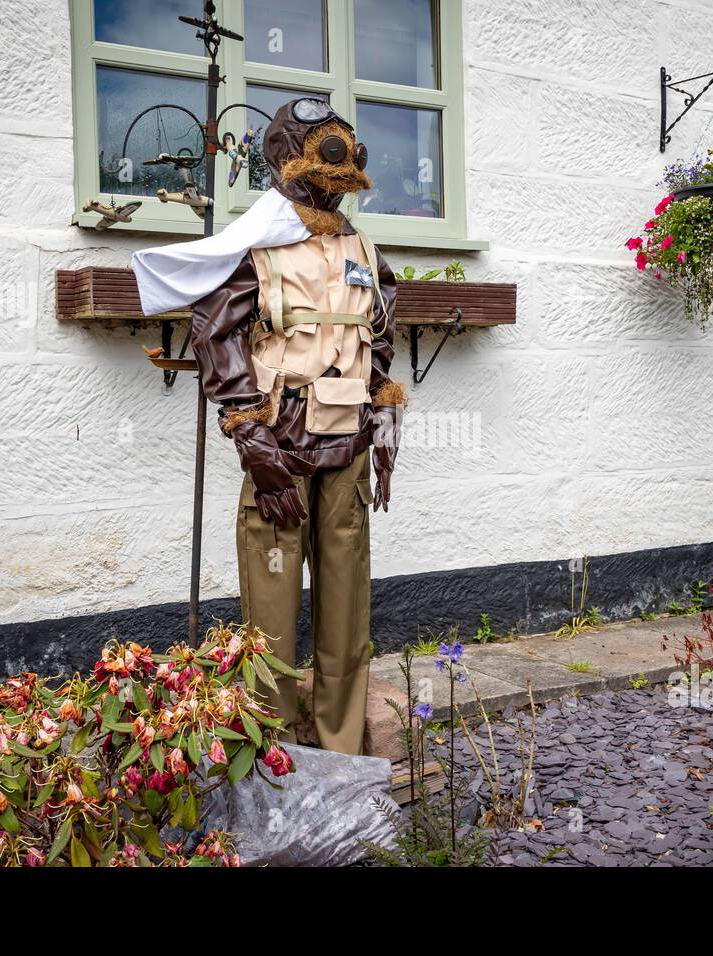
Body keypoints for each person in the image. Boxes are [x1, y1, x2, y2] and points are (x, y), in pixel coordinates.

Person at [132, 98, 406, 755]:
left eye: (351, 152)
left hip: (348, 451)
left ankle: (340, 754)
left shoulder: (364, 249)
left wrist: (385, 413)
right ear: (289, 159)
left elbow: (381, 335)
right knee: (272, 622)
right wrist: (252, 440)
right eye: (328, 151)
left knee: (347, 611)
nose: (347, 165)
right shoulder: (256, 251)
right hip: (278, 450)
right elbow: (216, 336)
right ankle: (274, 757)